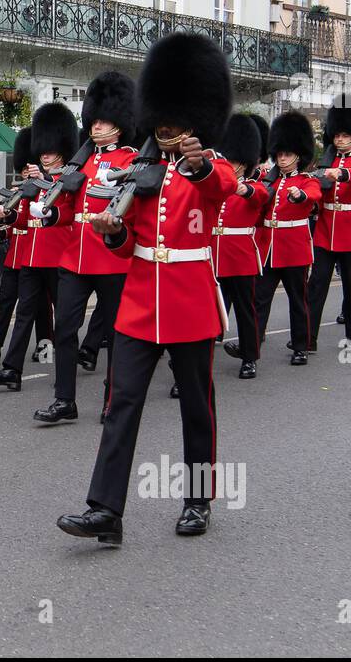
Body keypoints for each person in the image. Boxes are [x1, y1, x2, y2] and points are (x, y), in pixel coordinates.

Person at [56, 32, 236, 546]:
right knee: (121, 405)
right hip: (139, 303)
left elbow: (217, 186)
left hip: (189, 302)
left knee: (196, 408)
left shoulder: (211, 166)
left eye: (176, 124)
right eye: (162, 122)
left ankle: (198, 500)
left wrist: (197, 165)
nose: (167, 131)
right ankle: (105, 511)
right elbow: (128, 238)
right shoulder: (139, 172)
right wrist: (114, 234)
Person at [31, 72, 137, 423]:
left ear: (119, 125)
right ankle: (65, 400)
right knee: (64, 328)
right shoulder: (84, 160)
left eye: (103, 121)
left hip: (110, 259)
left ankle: (112, 399)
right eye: (93, 120)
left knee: (115, 335)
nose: (95, 126)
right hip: (75, 258)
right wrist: (49, 214)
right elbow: (71, 208)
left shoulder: (130, 161)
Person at [0, 102, 76, 393]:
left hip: (58, 257)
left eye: (50, 150)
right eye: (43, 150)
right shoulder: (36, 179)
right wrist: (7, 215)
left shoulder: (70, 178)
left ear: (62, 149)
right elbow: (24, 216)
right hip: (32, 256)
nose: (45, 155)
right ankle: (12, 370)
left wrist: (44, 180)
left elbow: (66, 212)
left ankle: (64, 373)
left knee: (64, 318)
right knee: (24, 313)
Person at [0, 129, 54, 363]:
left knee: (41, 307)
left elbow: (33, 223)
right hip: (14, 256)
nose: (26, 174)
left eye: (30, 169)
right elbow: (14, 223)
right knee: (5, 302)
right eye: (24, 170)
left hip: (35, 254)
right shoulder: (18, 192)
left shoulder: (45, 192)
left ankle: (45, 347)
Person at [303, 94, 351, 352]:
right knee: (316, 284)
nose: (340, 139)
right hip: (325, 230)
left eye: (345, 135)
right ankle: (308, 338)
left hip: (350, 231)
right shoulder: (327, 161)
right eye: (337, 135)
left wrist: (341, 173)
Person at [253, 111, 322, 365]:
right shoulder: (269, 179)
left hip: (294, 249)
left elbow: (313, 196)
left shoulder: (306, 181)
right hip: (270, 248)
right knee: (259, 298)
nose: (282, 159)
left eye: (288, 155)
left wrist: (299, 196)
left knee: (297, 300)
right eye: (280, 154)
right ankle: (252, 344)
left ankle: (301, 346)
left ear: (298, 156)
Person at [212, 114, 268, 380]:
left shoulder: (252, 187)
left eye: (232, 161)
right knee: (210, 312)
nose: (227, 164)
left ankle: (249, 356)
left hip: (241, 258)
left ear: (243, 164)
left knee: (246, 311)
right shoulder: (217, 187)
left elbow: (259, 196)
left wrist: (240, 189)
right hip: (214, 256)